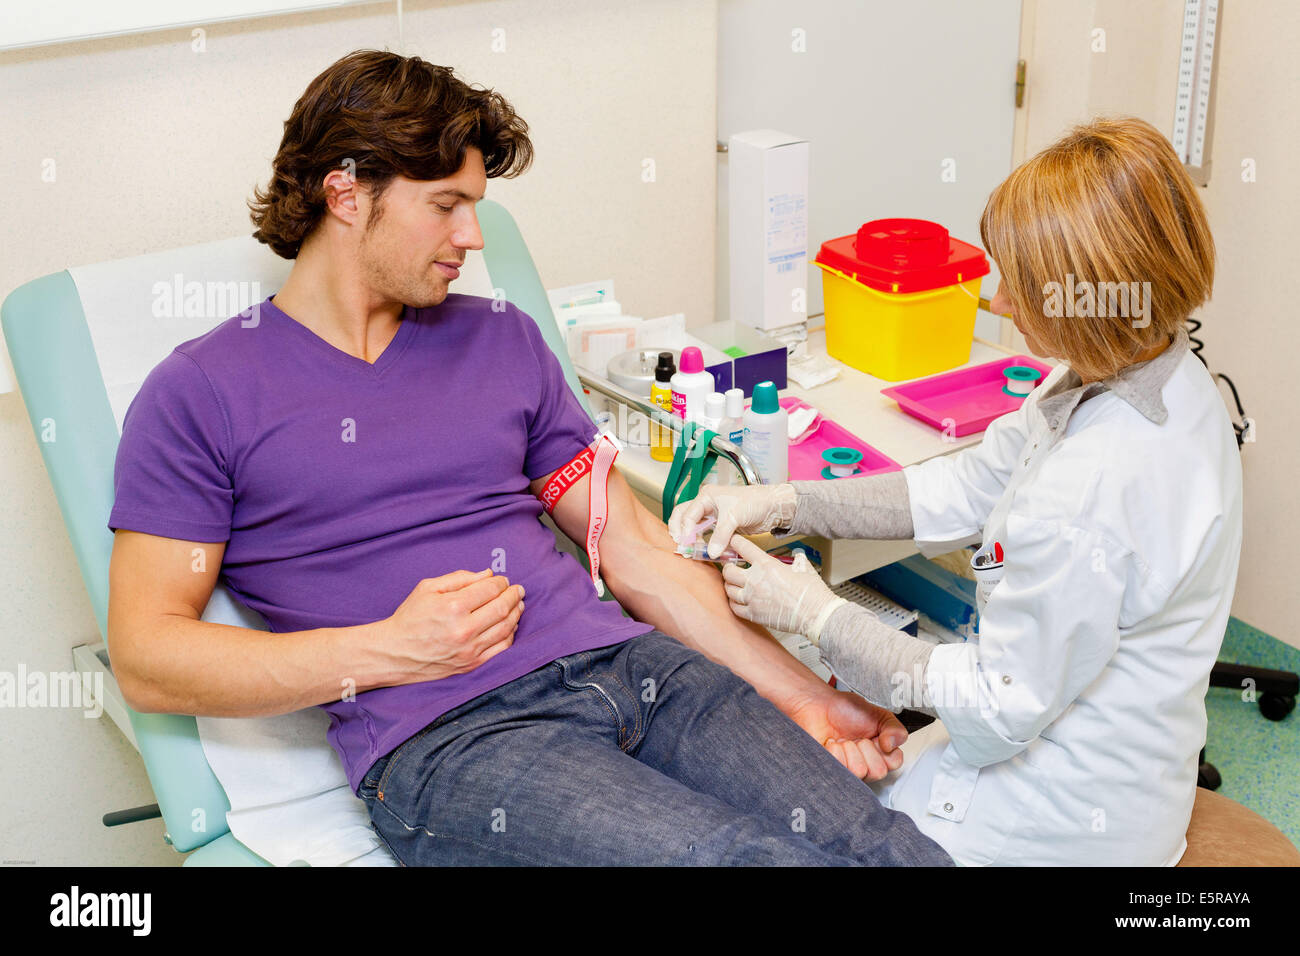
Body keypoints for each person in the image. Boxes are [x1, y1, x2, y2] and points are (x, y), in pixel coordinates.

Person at [105, 49, 950, 866]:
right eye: (446, 205)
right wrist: (387, 650)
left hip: (639, 673)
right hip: (458, 739)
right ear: (347, 193)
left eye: (475, 205)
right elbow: (148, 655)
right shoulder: (202, 394)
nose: (473, 236)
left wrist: (803, 694)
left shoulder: (502, 341)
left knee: (884, 847)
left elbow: (633, 549)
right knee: (742, 861)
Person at [672, 116, 1241, 866]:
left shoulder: (1102, 484)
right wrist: (783, 501)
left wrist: (815, 615)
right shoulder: (1148, 374)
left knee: (792, 827)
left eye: (1022, 286)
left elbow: (993, 706)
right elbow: (957, 488)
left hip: (1062, 823)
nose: (998, 304)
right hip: (1087, 754)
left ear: (1090, 297)